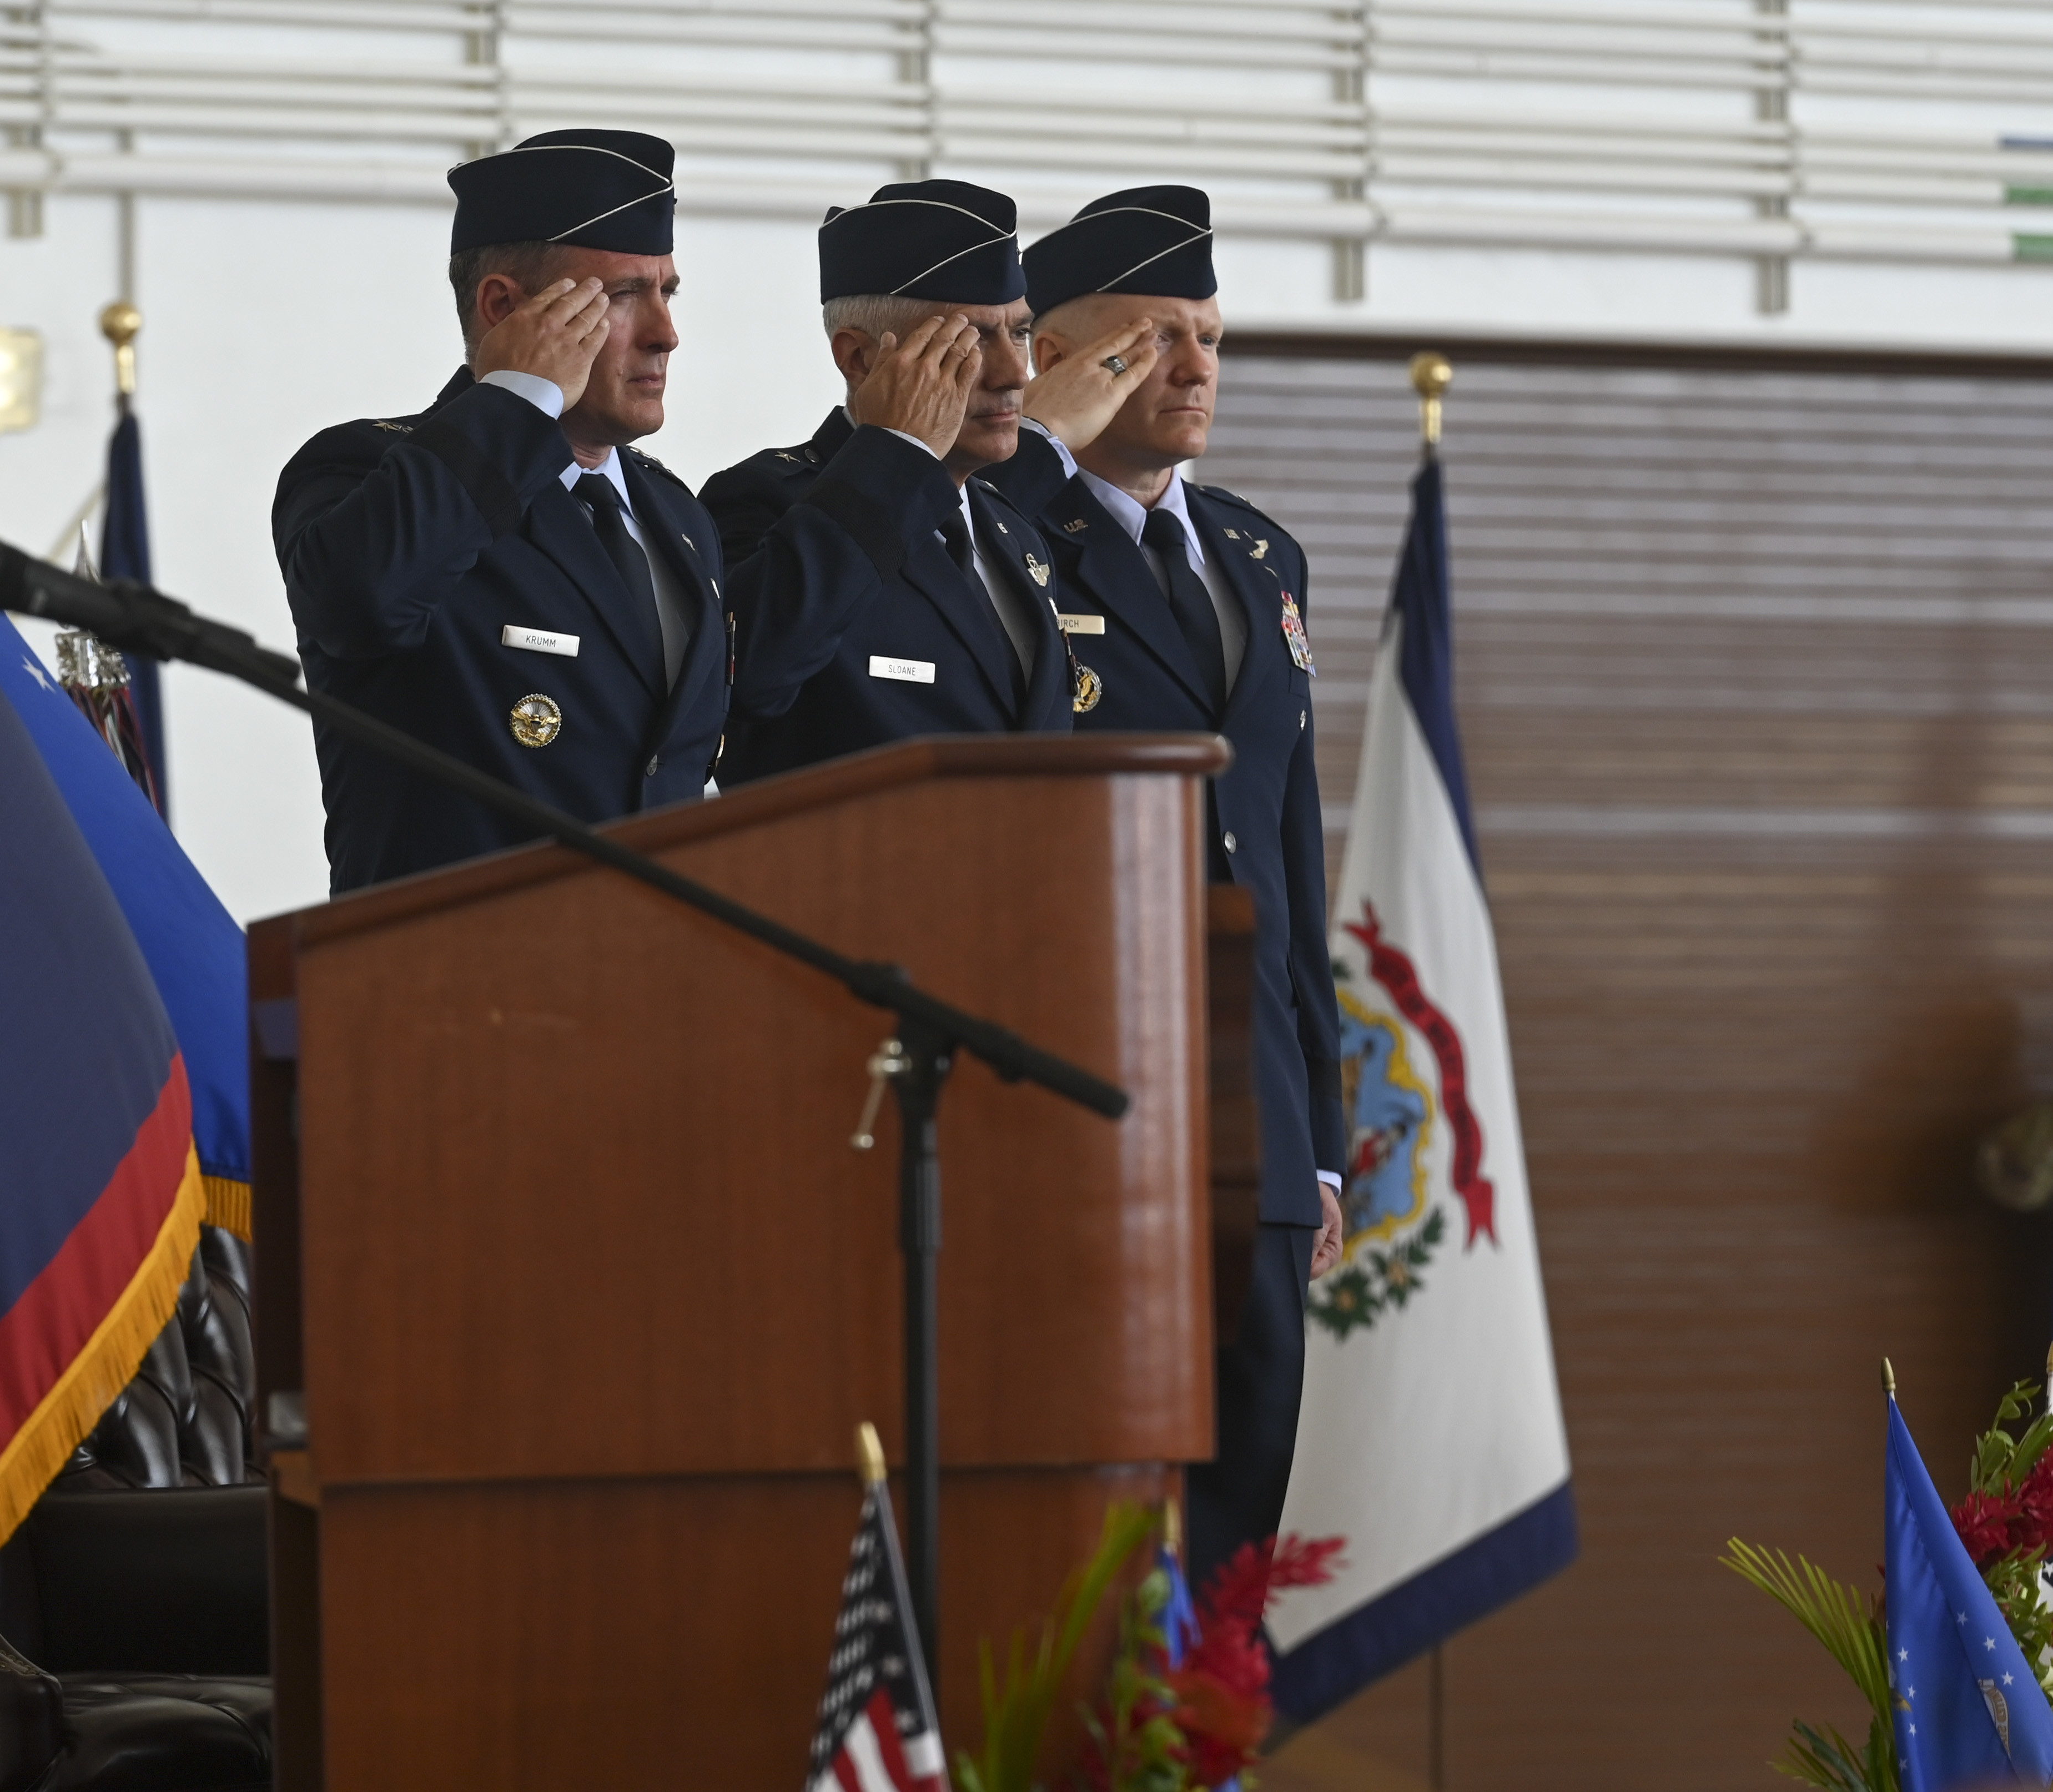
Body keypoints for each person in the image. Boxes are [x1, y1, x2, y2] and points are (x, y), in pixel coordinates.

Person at [275, 129, 959, 892]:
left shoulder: (672, 517)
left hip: (645, 971)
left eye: (666, 292)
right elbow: (363, 599)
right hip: (453, 976)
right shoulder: (363, 471)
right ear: (503, 307)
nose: (666, 333)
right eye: (623, 296)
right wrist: (516, 398)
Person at [998, 184, 1348, 1592]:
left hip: (1253, 1127)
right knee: (1094, 1554)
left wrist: (1320, 1131)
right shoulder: (1006, 536)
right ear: (1059, 358)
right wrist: (1028, 457)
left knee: (1236, 1554)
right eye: (1153, 342)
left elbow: (1290, 856)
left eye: (1209, 336)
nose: (1196, 369)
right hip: (1094, 1117)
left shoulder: (1262, 558)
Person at [701, 179, 1074, 785]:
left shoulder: (1011, 533)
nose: (1014, 373)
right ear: (859, 359)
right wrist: (896, 452)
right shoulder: (766, 500)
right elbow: (750, 680)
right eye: (972, 339)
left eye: (1020, 332)